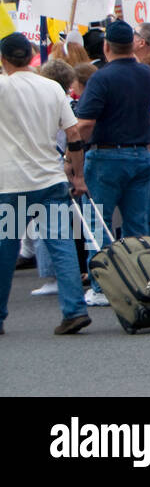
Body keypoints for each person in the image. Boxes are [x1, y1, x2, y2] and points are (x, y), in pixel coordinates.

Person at [0, 34, 92, 335]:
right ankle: (74, 310)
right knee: (61, 245)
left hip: (11, 183)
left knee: (5, 251)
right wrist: (77, 176)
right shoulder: (52, 87)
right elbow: (74, 136)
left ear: (3, 60)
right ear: (30, 57)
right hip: (50, 179)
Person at [74, 20, 150, 307]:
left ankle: (102, 286)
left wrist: (71, 155)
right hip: (140, 154)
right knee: (137, 225)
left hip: (107, 156)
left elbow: (85, 123)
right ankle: (139, 280)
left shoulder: (101, 78)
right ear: (133, 45)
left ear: (106, 46)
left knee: (99, 224)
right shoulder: (146, 74)